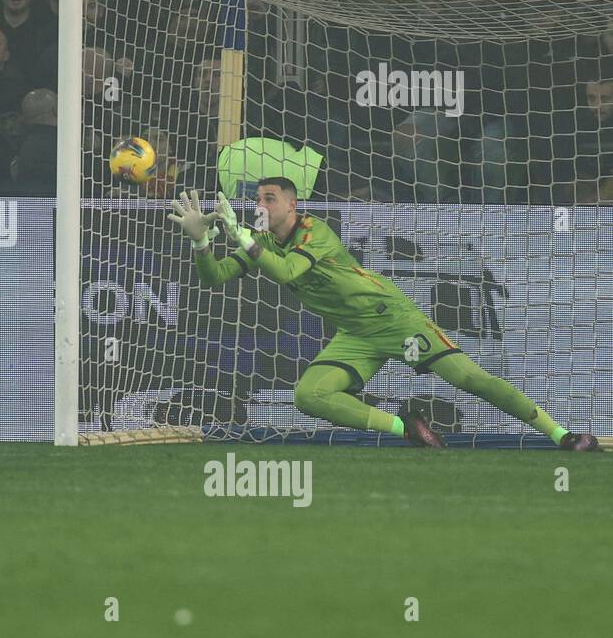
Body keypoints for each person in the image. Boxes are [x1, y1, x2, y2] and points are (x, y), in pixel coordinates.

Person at [168, 181, 601, 451]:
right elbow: (216, 277)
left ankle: (560, 433)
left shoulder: (315, 232)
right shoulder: (263, 239)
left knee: (469, 379)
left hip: (393, 319)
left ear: (293, 205)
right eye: (256, 198)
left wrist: (245, 241)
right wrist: (200, 243)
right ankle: (405, 428)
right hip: (355, 333)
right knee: (308, 396)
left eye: (269, 197)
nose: (259, 204)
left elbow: (286, 271)